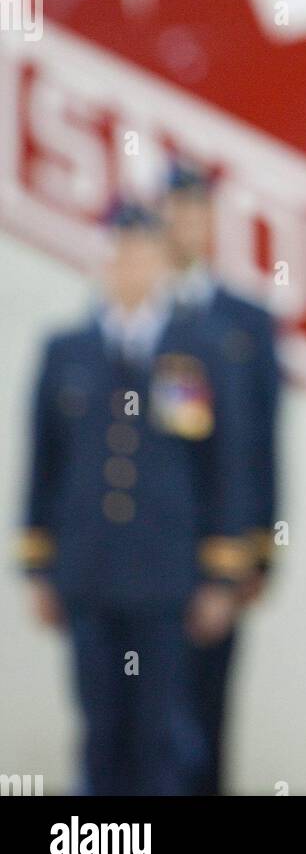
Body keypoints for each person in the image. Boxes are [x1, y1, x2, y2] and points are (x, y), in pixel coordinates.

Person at [17, 201, 253, 796]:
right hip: (89, 572)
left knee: (160, 733)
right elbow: (43, 463)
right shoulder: (67, 350)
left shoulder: (189, 353)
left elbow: (218, 468)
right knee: (99, 728)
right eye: (119, 252)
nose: (130, 266)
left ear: (162, 264)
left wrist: (220, 574)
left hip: (163, 578)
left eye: (143, 253)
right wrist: (38, 565)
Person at [160, 161, 281, 796]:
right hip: (144, 561)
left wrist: (255, 555)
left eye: (197, 211)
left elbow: (258, 446)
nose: (185, 224)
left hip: (217, 551)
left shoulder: (244, 321)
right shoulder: (139, 319)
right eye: (174, 210)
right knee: (140, 728)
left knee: (207, 719)